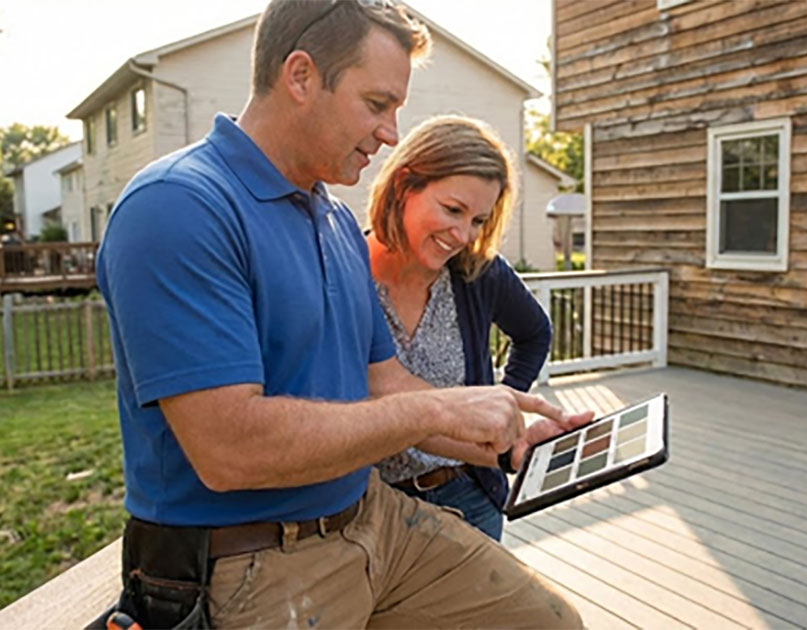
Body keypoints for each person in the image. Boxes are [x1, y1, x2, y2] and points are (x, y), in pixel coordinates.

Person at [96, 1, 591, 628]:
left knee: (549, 620)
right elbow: (228, 451)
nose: (390, 133)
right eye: (377, 104)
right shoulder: (179, 207)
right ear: (301, 76)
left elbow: (385, 383)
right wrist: (439, 406)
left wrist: (504, 439)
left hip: (373, 514)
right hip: (253, 557)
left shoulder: (332, 219)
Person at [366, 116, 549, 541]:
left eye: (478, 221)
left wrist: (505, 398)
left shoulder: (476, 274)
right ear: (404, 185)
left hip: (469, 497)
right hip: (372, 509)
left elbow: (534, 333)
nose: (463, 235)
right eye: (453, 210)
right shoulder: (343, 271)